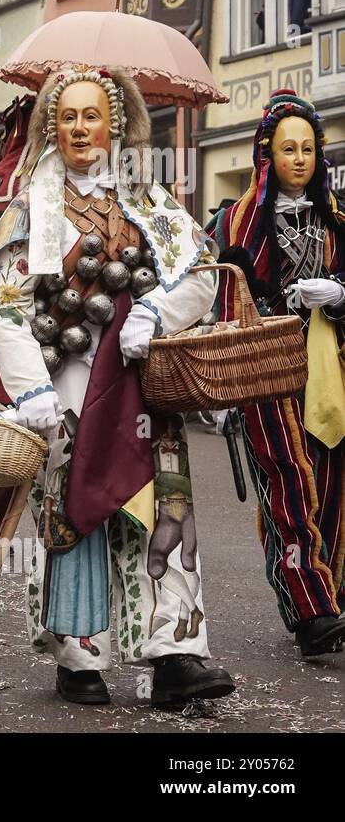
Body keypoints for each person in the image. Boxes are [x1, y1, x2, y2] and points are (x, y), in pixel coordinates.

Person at [0, 66, 236, 707]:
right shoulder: (31, 206)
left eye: (92, 116)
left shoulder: (148, 200)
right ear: (51, 128)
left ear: (116, 126)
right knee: (74, 516)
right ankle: (77, 652)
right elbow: (1, 305)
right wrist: (30, 389)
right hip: (64, 386)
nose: (80, 128)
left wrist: (155, 312)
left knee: (166, 511)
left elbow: (201, 274)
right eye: (67, 117)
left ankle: (177, 653)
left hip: (145, 385)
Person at [208, 89, 345, 657]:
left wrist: (338, 294)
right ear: (267, 154)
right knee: (289, 485)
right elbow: (222, 298)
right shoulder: (238, 223)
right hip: (266, 372)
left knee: (335, 483)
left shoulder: (340, 220)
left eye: (308, 149)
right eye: (287, 149)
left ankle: (333, 596)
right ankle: (309, 608)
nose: (299, 159)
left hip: (333, 368)